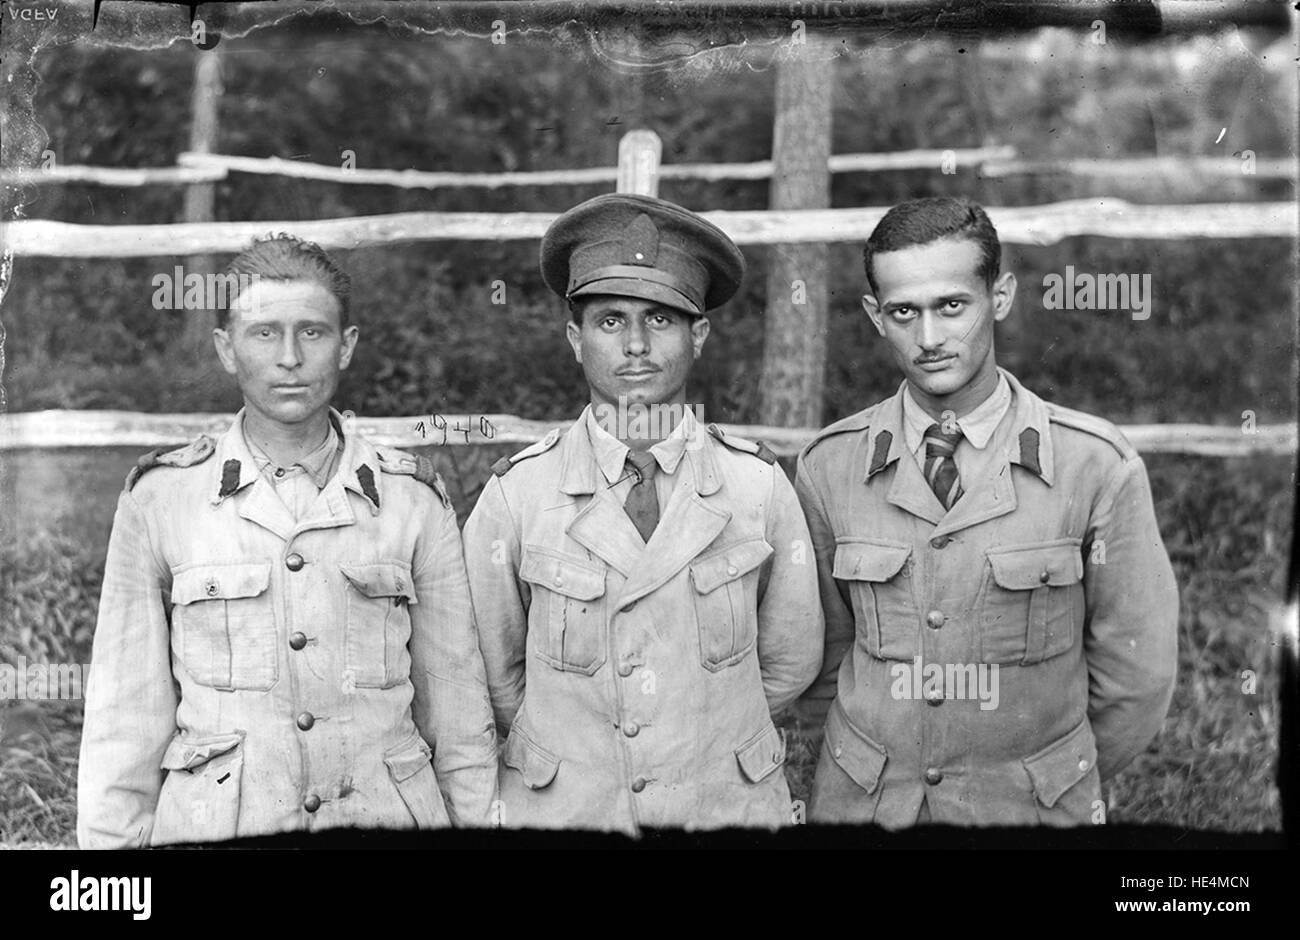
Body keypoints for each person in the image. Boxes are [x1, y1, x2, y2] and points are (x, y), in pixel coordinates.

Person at [77, 234, 498, 847]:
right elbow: (124, 722)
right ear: (227, 349)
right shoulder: (162, 502)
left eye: (313, 332)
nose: (290, 357)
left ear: (346, 346)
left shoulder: (412, 503)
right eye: (264, 333)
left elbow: (460, 724)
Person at [795, 196, 1178, 827]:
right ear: (874, 315)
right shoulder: (829, 466)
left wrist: (1051, 777)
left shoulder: (1092, 464)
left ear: (998, 298)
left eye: (952, 306)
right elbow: (820, 656)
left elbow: (1136, 676)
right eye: (903, 312)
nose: (928, 338)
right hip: (865, 806)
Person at [462, 193, 823, 833]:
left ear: (698, 335)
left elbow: (791, 657)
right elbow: (496, 672)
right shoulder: (518, 494)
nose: (635, 345)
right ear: (575, 338)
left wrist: (696, 730)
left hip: (722, 805)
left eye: (660, 320)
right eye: (609, 321)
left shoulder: (756, 485)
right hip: (569, 808)